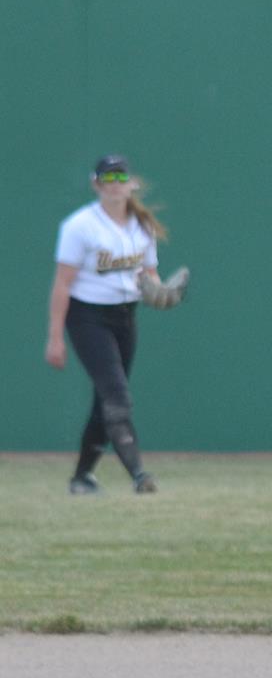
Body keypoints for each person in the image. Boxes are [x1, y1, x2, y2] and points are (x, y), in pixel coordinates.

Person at [45, 154, 169, 495]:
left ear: (132, 184)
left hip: (125, 315)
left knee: (106, 399)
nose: (115, 185)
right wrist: (55, 336)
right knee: (117, 395)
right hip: (88, 317)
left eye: (120, 178)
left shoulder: (142, 226)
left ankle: (82, 477)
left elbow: (148, 274)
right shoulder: (79, 226)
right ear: (96, 185)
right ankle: (139, 474)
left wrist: (159, 292)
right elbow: (62, 284)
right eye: (108, 179)